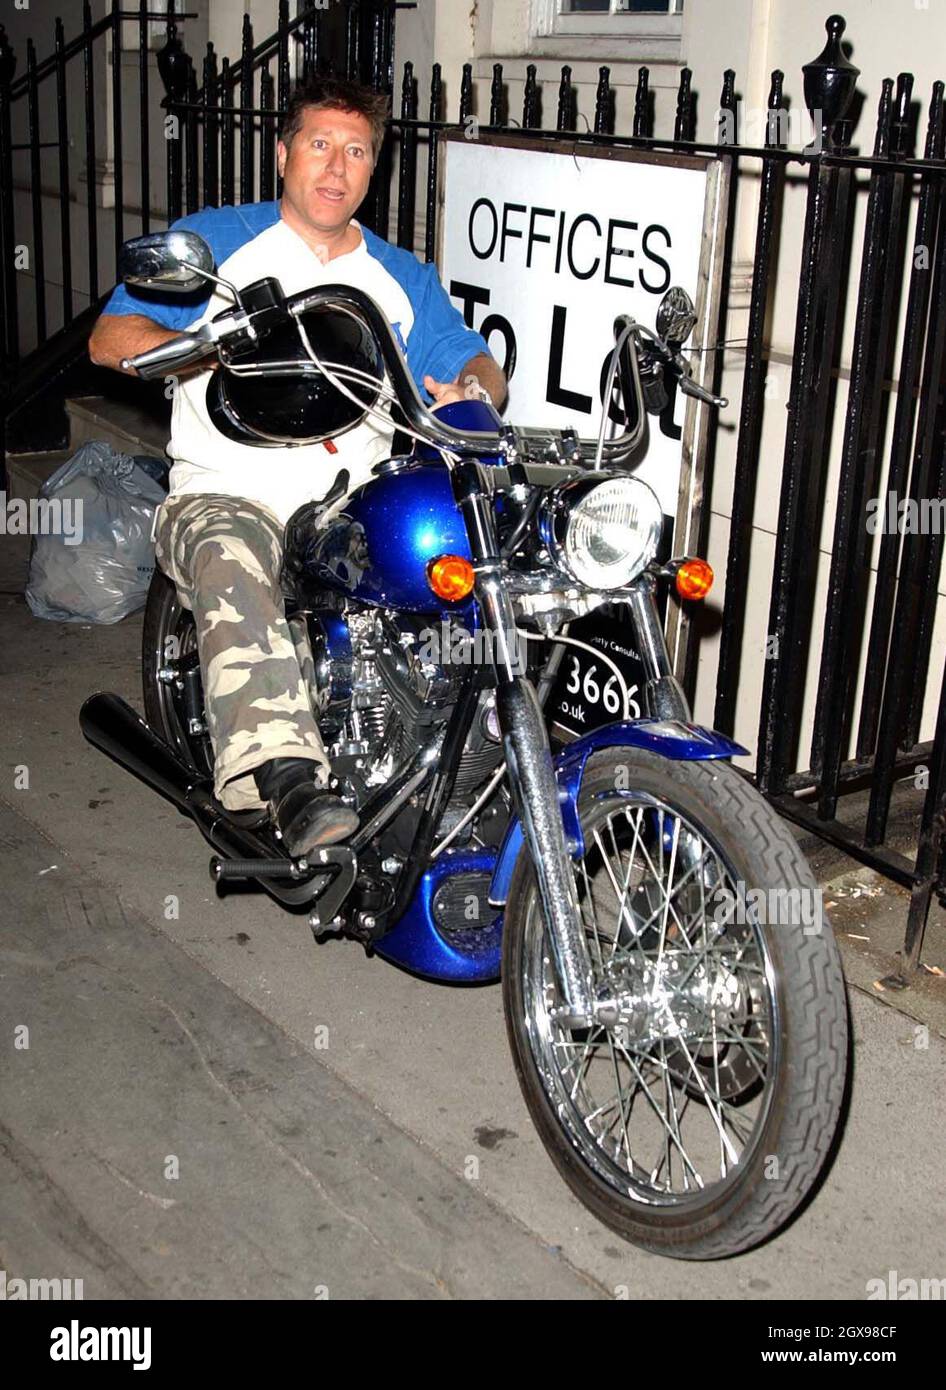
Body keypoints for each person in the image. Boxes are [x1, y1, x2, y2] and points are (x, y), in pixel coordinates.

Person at [89, 75, 506, 856]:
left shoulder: (400, 278)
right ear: (283, 153)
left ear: (371, 169)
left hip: (348, 505)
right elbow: (109, 338)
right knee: (230, 555)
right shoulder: (222, 242)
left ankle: (458, 763)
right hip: (229, 489)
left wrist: (469, 389)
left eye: (355, 152)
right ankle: (285, 779)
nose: (336, 167)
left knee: (461, 565)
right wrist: (196, 350)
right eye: (319, 145)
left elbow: (475, 362)